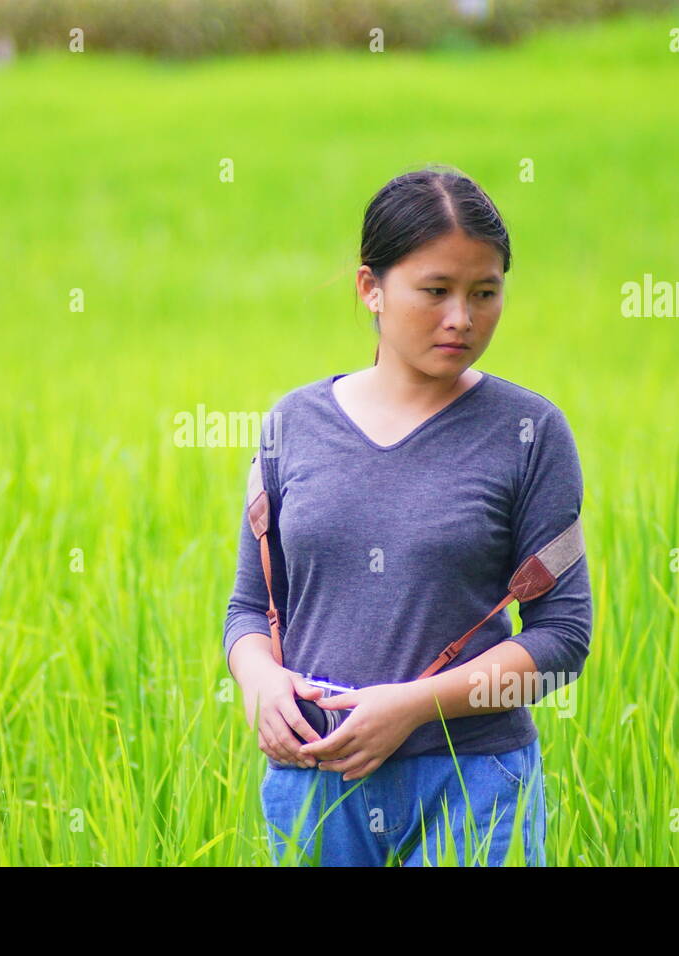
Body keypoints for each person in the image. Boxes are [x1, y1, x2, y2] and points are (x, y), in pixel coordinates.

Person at [222, 164, 593, 866]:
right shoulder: (293, 423)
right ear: (371, 289)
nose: (463, 317)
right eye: (436, 291)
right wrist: (262, 682)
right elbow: (250, 606)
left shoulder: (531, 432)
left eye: (485, 293)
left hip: (473, 787)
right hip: (314, 783)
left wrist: (412, 708)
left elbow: (562, 640)